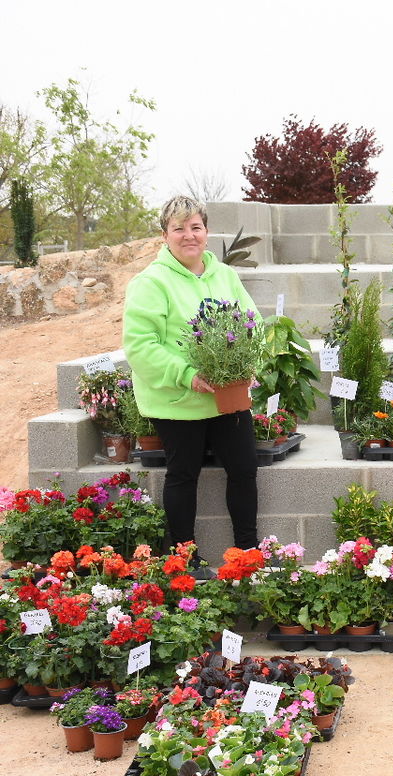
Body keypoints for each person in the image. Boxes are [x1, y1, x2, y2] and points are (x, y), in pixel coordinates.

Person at [122, 196, 259, 567]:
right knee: (183, 474)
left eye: (195, 227)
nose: (188, 235)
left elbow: (253, 323)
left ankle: (249, 552)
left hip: (226, 397)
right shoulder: (151, 282)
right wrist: (186, 375)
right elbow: (139, 345)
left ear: (207, 232)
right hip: (177, 400)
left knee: (244, 469)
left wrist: (250, 363)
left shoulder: (225, 275)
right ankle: (187, 559)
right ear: (164, 235)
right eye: (179, 228)